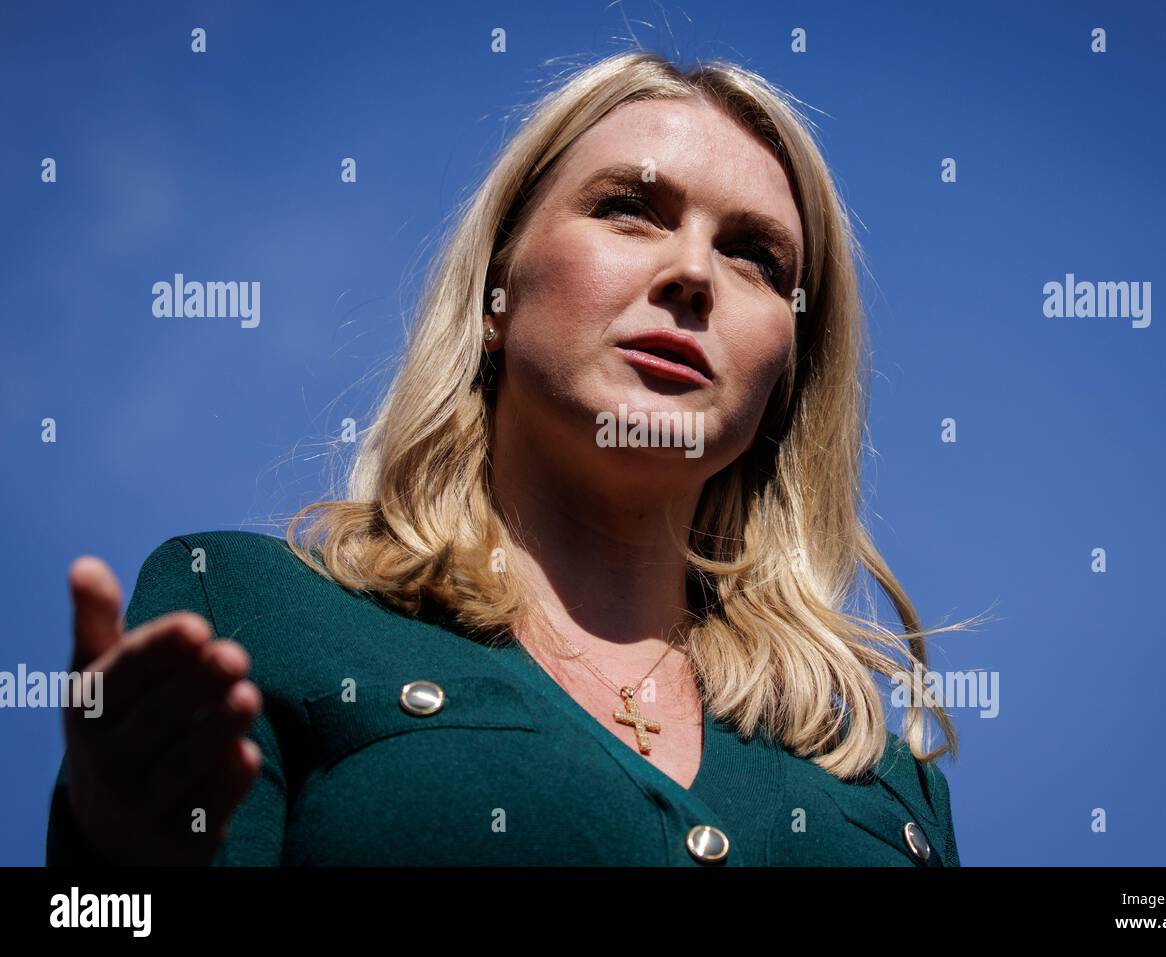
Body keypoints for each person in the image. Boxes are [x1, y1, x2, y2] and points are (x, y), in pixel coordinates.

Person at [47, 50, 981, 867]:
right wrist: (115, 862)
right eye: (630, 210)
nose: (694, 273)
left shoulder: (881, 779)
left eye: (755, 258)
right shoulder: (250, 613)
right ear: (497, 294)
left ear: (784, 376)